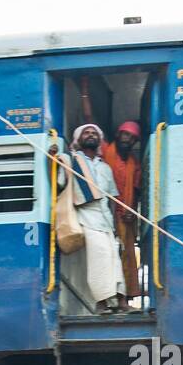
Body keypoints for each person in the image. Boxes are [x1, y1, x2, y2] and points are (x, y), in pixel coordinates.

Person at [51, 124, 125, 314]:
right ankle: (101, 302)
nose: (91, 135)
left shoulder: (105, 168)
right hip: (86, 216)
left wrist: (117, 230)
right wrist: (52, 159)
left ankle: (120, 300)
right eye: (87, 132)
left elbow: (112, 200)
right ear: (79, 138)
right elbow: (59, 182)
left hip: (106, 220)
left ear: (99, 140)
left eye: (94, 133)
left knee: (114, 258)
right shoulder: (71, 160)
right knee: (99, 257)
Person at [99, 120, 144, 301]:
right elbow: (89, 122)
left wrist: (131, 211)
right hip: (105, 214)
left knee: (127, 256)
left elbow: (136, 190)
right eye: (126, 135)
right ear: (118, 135)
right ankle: (106, 299)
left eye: (132, 138)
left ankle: (126, 297)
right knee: (106, 255)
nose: (128, 139)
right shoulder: (104, 150)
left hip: (126, 217)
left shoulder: (134, 162)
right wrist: (85, 92)